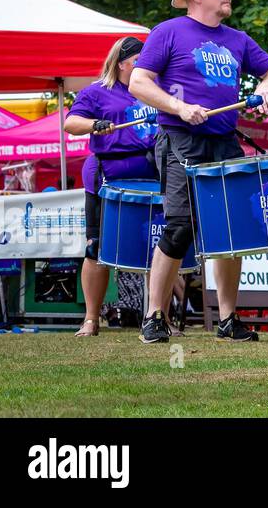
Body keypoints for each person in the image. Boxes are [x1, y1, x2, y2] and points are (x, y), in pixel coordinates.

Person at [129, 0, 268, 343]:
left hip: (224, 139)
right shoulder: (168, 32)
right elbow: (138, 81)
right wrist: (179, 107)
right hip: (181, 137)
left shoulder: (238, 39)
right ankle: (154, 316)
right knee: (180, 228)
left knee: (230, 231)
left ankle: (229, 320)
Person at [63, 36, 159, 337]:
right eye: (136, 63)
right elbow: (71, 123)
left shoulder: (153, 92)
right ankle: (91, 319)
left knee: (158, 249)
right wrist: (95, 125)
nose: (142, 68)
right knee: (96, 247)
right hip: (107, 176)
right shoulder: (97, 92)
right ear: (120, 64)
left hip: (151, 177)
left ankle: (158, 317)